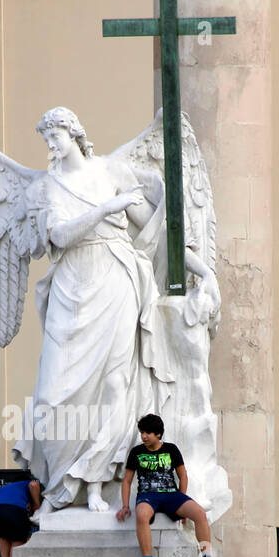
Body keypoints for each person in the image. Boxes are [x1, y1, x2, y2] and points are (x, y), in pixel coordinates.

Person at [12, 107, 173, 511]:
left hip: (115, 277)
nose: (50, 142)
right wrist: (105, 208)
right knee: (51, 395)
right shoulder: (48, 188)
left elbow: (142, 219)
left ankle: (95, 481)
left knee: (114, 386)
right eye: (45, 136)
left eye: (56, 134)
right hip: (72, 283)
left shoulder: (108, 171)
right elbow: (60, 236)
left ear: (74, 133)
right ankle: (56, 489)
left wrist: (163, 213)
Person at [117, 413, 217, 557]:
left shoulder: (170, 449)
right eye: (142, 432)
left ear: (158, 434)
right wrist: (125, 506)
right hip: (147, 495)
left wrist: (182, 502)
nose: (143, 436)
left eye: (147, 433)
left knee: (199, 513)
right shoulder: (137, 452)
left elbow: (183, 476)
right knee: (142, 515)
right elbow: (127, 480)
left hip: (171, 495)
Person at [0, 478, 42, 557]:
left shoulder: (15, 486)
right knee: (19, 537)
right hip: (14, 506)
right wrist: (37, 506)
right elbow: (33, 485)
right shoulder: (33, 483)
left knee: (3, 536)